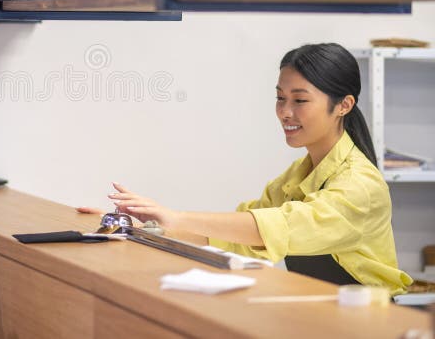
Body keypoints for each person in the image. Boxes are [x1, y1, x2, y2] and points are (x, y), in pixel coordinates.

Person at [82, 43, 412, 295]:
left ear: (344, 105)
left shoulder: (361, 185)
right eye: (280, 98)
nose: (285, 112)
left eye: (300, 100)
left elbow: (278, 226)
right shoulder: (300, 173)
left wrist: (176, 217)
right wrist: (142, 226)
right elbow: (237, 238)